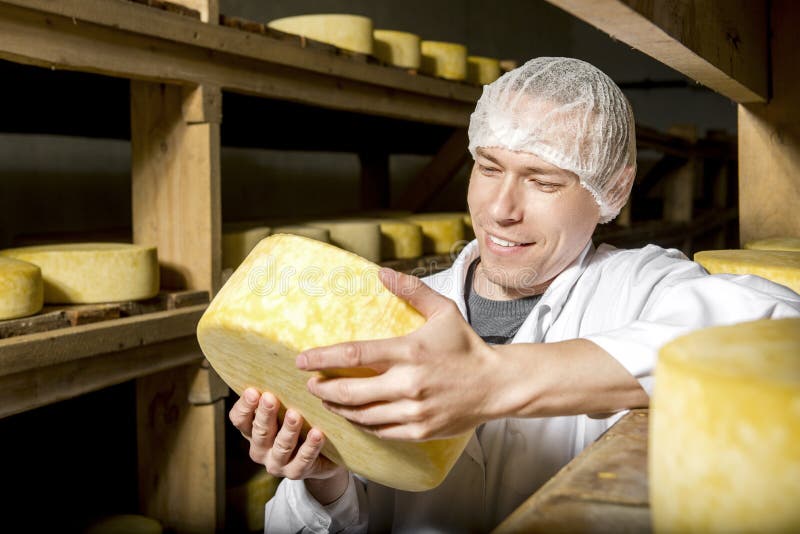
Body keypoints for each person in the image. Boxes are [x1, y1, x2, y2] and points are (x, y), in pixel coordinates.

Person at [229, 57, 800, 532]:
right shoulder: (398, 307)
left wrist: (498, 378)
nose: (502, 209)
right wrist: (326, 482)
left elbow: (781, 328)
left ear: (612, 189)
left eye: (543, 181)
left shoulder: (638, 286)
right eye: (488, 167)